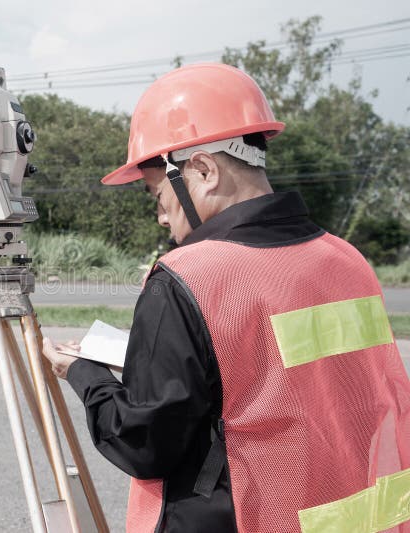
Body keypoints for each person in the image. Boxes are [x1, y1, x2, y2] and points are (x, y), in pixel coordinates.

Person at [42, 63, 410, 532]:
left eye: (158, 195)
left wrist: (83, 373)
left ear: (202, 170)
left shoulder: (186, 278)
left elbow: (145, 443)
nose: (160, 216)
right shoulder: (347, 260)